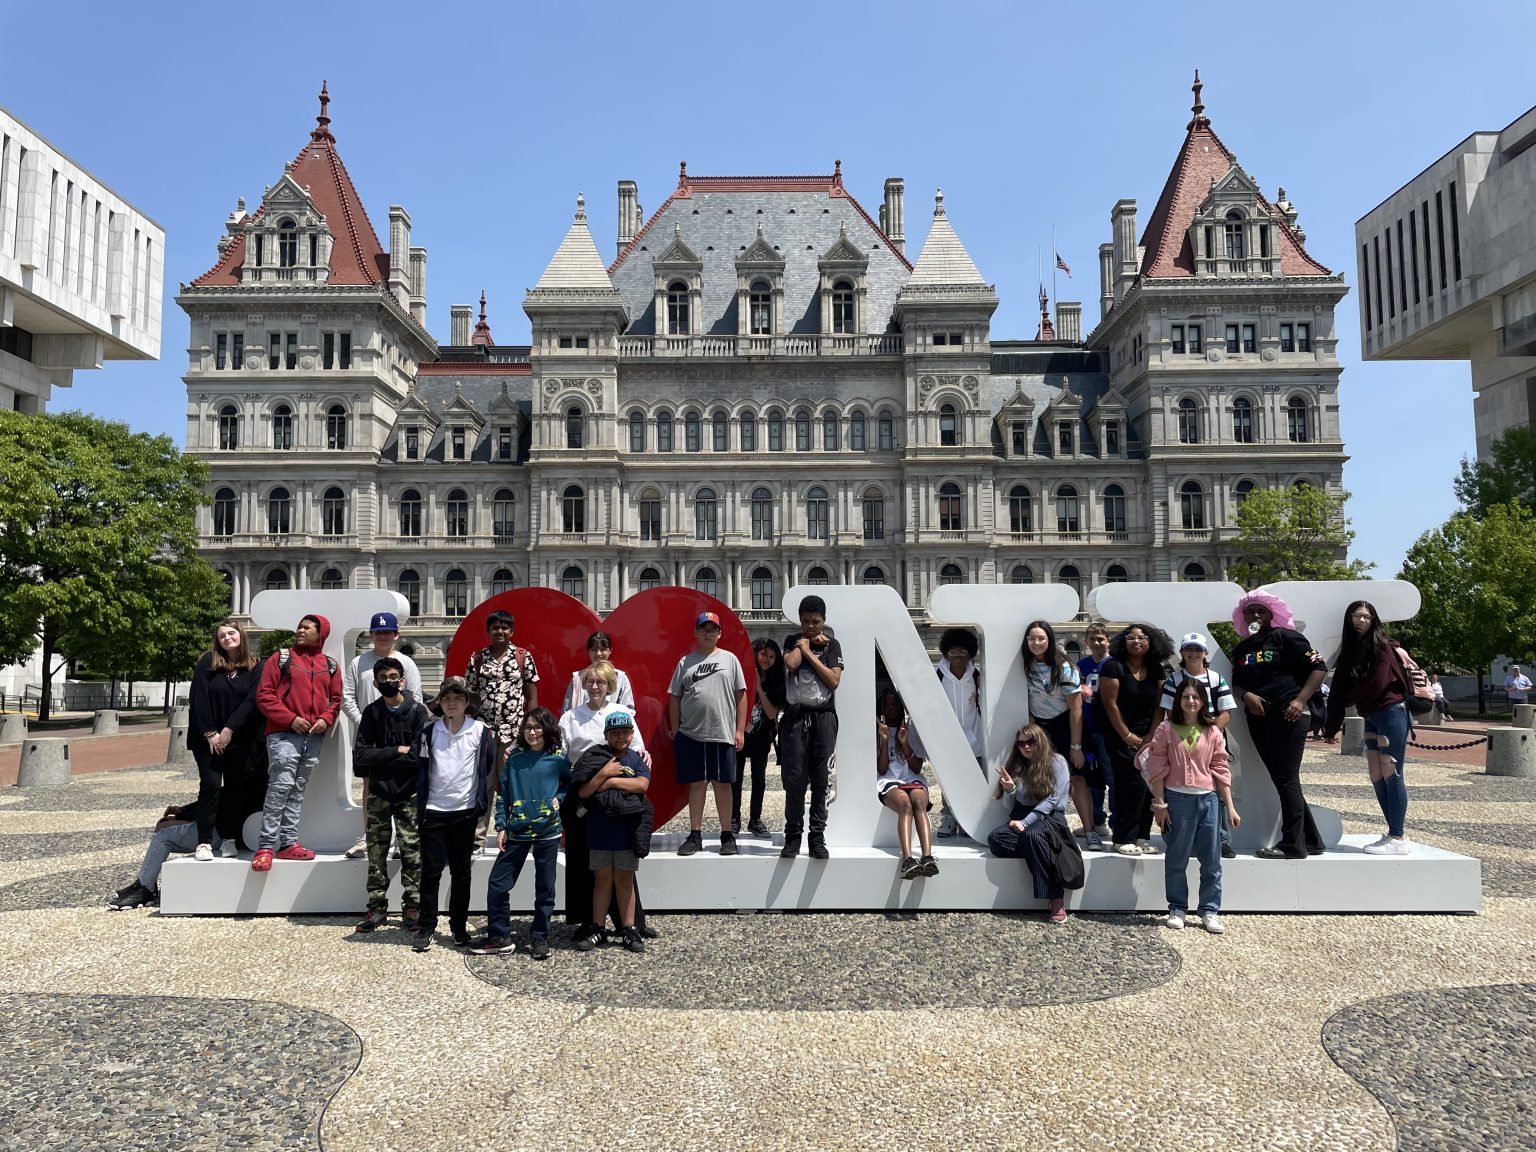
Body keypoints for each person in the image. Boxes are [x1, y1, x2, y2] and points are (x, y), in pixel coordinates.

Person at [1231, 591, 1328, 860]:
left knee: (1286, 778)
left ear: (1272, 614)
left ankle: (1292, 845)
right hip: (1259, 719)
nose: (1256, 616)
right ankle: (1311, 839)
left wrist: (1300, 700)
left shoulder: (1287, 637)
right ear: (1243, 616)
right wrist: (1246, 695)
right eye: (1250, 611)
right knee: (1282, 779)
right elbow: (1237, 682)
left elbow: (1319, 667)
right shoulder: (1241, 649)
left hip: (1290, 715)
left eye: (1261, 611)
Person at [469, 706, 571, 959]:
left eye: (537, 727)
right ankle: (500, 936)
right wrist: (501, 826)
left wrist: (558, 798)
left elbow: (569, 784)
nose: (532, 732)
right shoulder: (513, 759)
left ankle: (540, 937)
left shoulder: (558, 759)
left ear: (547, 730)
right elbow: (502, 794)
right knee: (498, 884)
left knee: (545, 887)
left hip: (548, 831)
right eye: (528, 727)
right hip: (517, 831)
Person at [1144, 679, 1240, 934]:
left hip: (1208, 801)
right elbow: (1156, 768)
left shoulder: (1212, 731)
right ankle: (1177, 907)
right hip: (1177, 801)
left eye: (1195, 697)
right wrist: (1159, 803)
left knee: (1212, 860)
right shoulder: (1166, 729)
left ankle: (1209, 910)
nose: (1191, 701)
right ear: (1179, 701)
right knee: (1177, 858)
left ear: (1203, 701)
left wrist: (1229, 806)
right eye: (1186, 696)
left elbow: (1220, 768)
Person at [411, 677, 498, 952]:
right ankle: (426, 926)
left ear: (467, 703)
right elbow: (421, 766)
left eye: (458, 699)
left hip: (464, 810)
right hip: (434, 810)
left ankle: (459, 927)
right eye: (447, 699)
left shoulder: (481, 731)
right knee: (431, 871)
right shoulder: (429, 731)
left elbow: (487, 765)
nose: (452, 703)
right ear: (440, 702)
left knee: (461, 872)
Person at [252, 614, 342, 872]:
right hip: (283, 734)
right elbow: (265, 696)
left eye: (307, 628)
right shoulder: (281, 658)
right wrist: (291, 719)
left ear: (320, 633)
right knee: (280, 787)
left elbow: (336, 700)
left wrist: (325, 719)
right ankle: (266, 846)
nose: (300, 631)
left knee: (297, 789)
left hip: (313, 736)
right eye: (299, 627)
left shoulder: (330, 665)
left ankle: (288, 843)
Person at [1324, 600, 1413, 856]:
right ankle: (1393, 831)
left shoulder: (1382, 646)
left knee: (1391, 770)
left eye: (1365, 616)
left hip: (1391, 711)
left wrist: (1349, 699)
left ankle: (1398, 836)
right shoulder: (1350, 649)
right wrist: (1331, 724)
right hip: (1372, 715)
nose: (1360, 621)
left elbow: (1377, 684)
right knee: (1376, 773)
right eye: (1356, 616)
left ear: (1373, 619)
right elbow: (1339, 687)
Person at [351, 657, 430, 934]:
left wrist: (381, 756)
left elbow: (421, 756)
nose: (389, 681)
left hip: (410, 792)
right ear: (375, 683)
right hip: (380, 792)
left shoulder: (418, 712)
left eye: (393, 676)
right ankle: (377, 907)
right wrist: (396, 751)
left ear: (403, 680)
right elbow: (360, 754)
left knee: (412, 851)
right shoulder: (371, 713)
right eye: (383, 678)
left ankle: (413, 906)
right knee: (376, 853)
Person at [342, 611, 422, 859]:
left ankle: (401, 839)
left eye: (388, 632)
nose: (383, 636)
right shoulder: (358, 663)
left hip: (402, 738)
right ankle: (369, 837)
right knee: (369, 786)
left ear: (396, 635)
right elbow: (347, 698)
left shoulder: (406, 663)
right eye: (378, 632)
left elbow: (416, 698)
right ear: (371, 635)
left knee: (404, 787)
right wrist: (366, 724)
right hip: (370, 739)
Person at [571, 710, 651, 954]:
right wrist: (604, 773)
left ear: (631, 734)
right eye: (614, 733)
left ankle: (629, 928)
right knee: (602, 880)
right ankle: (598, 927)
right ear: (606, 735)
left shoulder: (635, 759)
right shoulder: (595, 757)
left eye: (625, 732)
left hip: (627, 830)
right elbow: (583, 791)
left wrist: (612, 782)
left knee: (624, 880)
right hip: (599, 829)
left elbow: (642, 784)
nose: (620, 737)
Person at [670, 611, 749, 857]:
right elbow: (675, 696)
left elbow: (741, 695)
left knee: (723, 785)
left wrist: (739, 729)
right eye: (703, 629)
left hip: (723, 732)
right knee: (697, 785)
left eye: (712, 629)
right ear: (695, 632)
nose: (708, 633)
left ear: (719, 634)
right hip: (692, 733)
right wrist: (675, 729)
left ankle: (727, 834)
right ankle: (695, 834)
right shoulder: (685, 662)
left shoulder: (730, 659)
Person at [1152, 632, 1238, 859]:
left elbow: (1226, 713)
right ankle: (1183, 839)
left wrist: (1208, 735)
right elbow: (1170, 713)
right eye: (1189, 649)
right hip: (1181, 740)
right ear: (1182, 653)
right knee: (1180, 790)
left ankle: (1222, 839)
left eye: (1198, 649)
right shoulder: (1174, 679)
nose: (1193, 653)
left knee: (1216, 789)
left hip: (1211, 740)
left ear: (1205, 653)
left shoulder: (1217, 679)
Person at [186, 618, 264, 862]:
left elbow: (251, 701)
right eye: (222, 636)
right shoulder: (208, 662)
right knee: (210, 786)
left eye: (231, 633)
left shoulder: (255, 666)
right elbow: (198, 697)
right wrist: (210, 732)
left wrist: (229, 730)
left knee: (234, 787)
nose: (227, 638)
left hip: (238, 738)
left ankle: (229, 837)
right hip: (206, 739)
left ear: (241, 635)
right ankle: (204, 842)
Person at [464, 609, 539, 842]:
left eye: (505, 627)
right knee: (483, 783)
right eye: (495, 627)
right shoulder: (477, 658)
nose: (500, 631)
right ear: (488, 631)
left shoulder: (522, 656)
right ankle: (478, 837)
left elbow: (531, 694)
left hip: (513, 731)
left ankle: (513, 832)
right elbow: (469, 695)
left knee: (511, 783)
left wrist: (532, 726)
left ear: (512, 631)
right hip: (484, 731)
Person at [986, 724, 1072, 924]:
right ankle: (1043, 851)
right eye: (1021, 743)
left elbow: (1053, 800)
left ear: (1039, 741)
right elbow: (1010, 807)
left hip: (1049, 816)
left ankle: (1055, 898)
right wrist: (1010, 790)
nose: (1025, 747)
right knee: (996, 840)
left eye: (1030, 742)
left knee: (1033, 836)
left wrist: (1026, 822)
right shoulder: (1018, 765)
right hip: (1022, 816)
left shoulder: (1056, 762)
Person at [779, 595, 844, 860]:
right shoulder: (791, 641)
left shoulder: (832, 645)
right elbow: (791, 664)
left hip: (823, 718)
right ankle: (793, 835)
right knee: (794, 779)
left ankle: (817, 835)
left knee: (821, 779)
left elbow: (833, 680)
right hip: (795, 718)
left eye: (815, 622)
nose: (810, 626)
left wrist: (809, 653)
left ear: (824, 620)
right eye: (805, 621)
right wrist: (802, 646)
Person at [1098, 623, 1172, 857]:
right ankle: (1123, 837)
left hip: (1149, 734)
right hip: (1119, 734)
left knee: (1149, 785)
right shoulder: (1113, 666)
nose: (1137, 641)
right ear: (1123, 641)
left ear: (1151, 642)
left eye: (1142, 638)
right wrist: (1126, 735)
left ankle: (1142, 836)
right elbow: (1110, 705)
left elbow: (1161, 705)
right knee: (1129, 784)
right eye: (1131, 637)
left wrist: (1152, 734)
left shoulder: (1156, 668)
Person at [1022, 621, 1092, 848]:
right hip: (1040, 727)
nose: (1036, 643)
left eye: (1041, 638)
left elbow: (1076, 708)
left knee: (1078, 779)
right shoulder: (1025, 663)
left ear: (1049, 640)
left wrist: (1076, 746)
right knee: (1042, 779)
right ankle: (1045, 828)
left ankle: (1090, 832)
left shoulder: (1064, 666)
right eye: (1032, 638)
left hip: (1065, 725)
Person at [922, 626, 984, 839]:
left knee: (972, 780)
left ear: (970, 653)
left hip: (973, 737)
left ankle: (970, 820)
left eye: (963, 652)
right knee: (948, 781)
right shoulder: (937, 675)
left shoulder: (977, 676)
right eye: (954, 652)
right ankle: (948, 817)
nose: (958, 656)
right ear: (946, 652)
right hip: (946, 739)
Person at [876, 691, 936, 879]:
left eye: (894, 704)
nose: (891, 708)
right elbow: (882, 768)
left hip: (912, 778)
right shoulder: (878, 730)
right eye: (887, 705)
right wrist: (885, 740)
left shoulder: (910, 729)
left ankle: (927, 857)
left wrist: (905, 742)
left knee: (919, 802)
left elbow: (917, 767)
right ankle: (908, 859)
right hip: (889, 780)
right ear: (882, 708)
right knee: (905, 804)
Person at [736, 638, 785, 837]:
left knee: (759, 779)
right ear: (755, 653)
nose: (767, 659)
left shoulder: (775, 680)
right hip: (740, 732)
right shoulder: (741, 673)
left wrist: (758, 688)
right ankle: (734, 818)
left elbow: (773, 713)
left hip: (762, 735)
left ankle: (755, 819)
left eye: (772, 656)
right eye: (764, 654)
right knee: (735, 779)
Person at [561, 662, 648, 765]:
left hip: (618, 775)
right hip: (581, 776)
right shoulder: (569, 717)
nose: (594, 686)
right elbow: (559, 753)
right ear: (584, 684)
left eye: (600, 682)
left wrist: (642, 753)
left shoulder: (622, 712)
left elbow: (635, 745)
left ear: (609, 685)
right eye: (590, 681)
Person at [1076, 622, 1113, 839]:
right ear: (1086, 642)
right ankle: (1097, 820)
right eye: (1092, 639)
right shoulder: (1082, 665)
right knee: (1092, 777)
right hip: (1087, 727)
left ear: (1108, 640)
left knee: (1112, 777)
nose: (1097, 643)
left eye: (1100, 639)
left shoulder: (1115, 664)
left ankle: (1116, 821)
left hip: (1108, 729)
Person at [561, 631, 635, 713]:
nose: (598, 653)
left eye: (603, 649)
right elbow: (566, 710)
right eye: (594, 649)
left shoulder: (620, 678)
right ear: (588, 651)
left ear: (610, 650)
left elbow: (628, 710)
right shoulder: (578, 678)